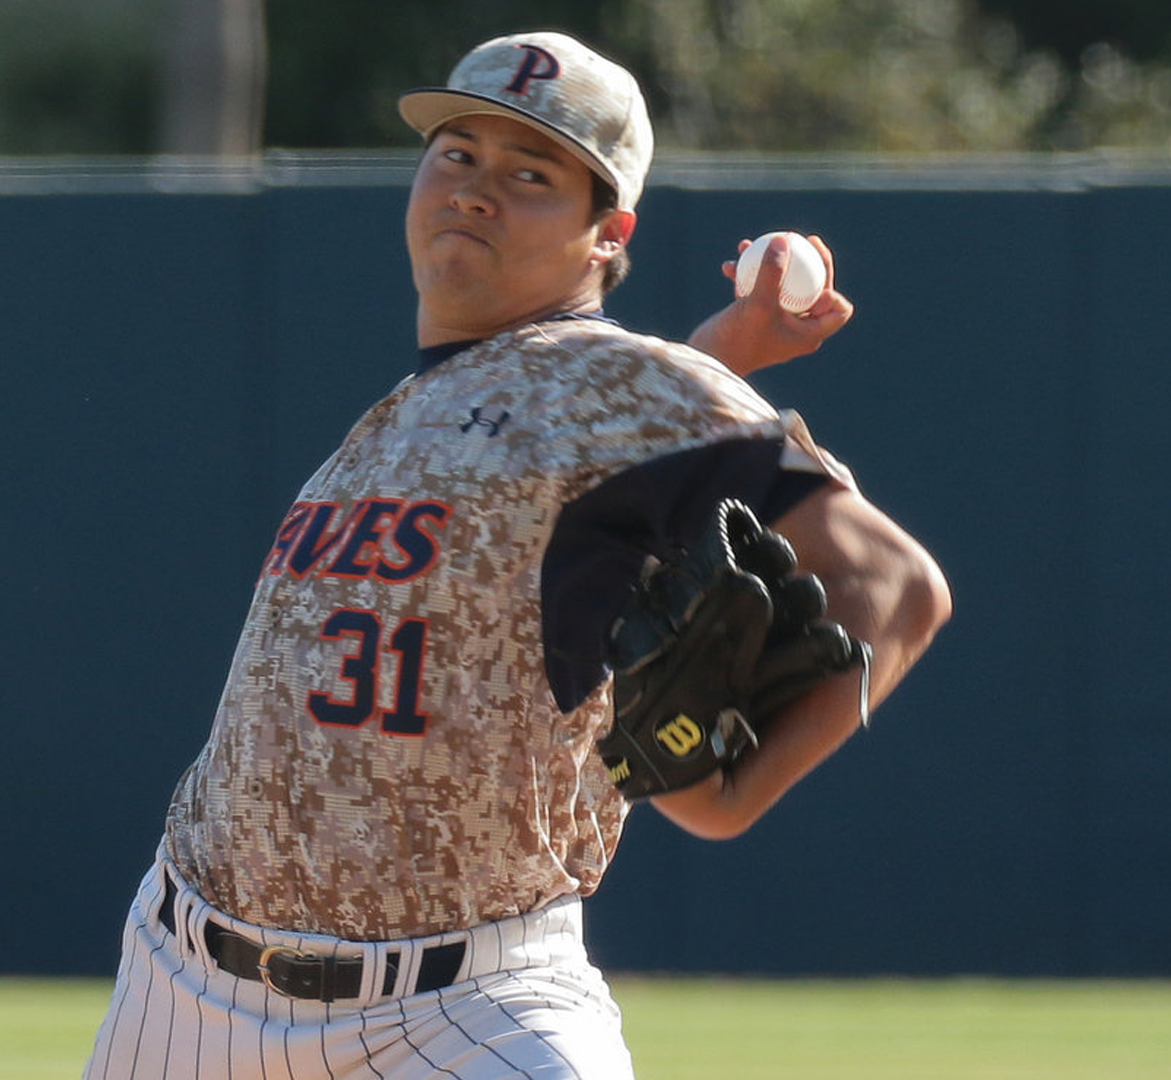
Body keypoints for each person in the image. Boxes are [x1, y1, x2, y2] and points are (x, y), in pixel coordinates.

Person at [83, 30, 950, 1080]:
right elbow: (558, 450)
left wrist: (731, 797)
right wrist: (709, 354)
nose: (477, 190)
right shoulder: (443, 398)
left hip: (464, 1011)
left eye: (531, 174)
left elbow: (896, 586)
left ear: (606, 233)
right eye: (457, 155)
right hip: (183, 985)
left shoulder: (623, 382)